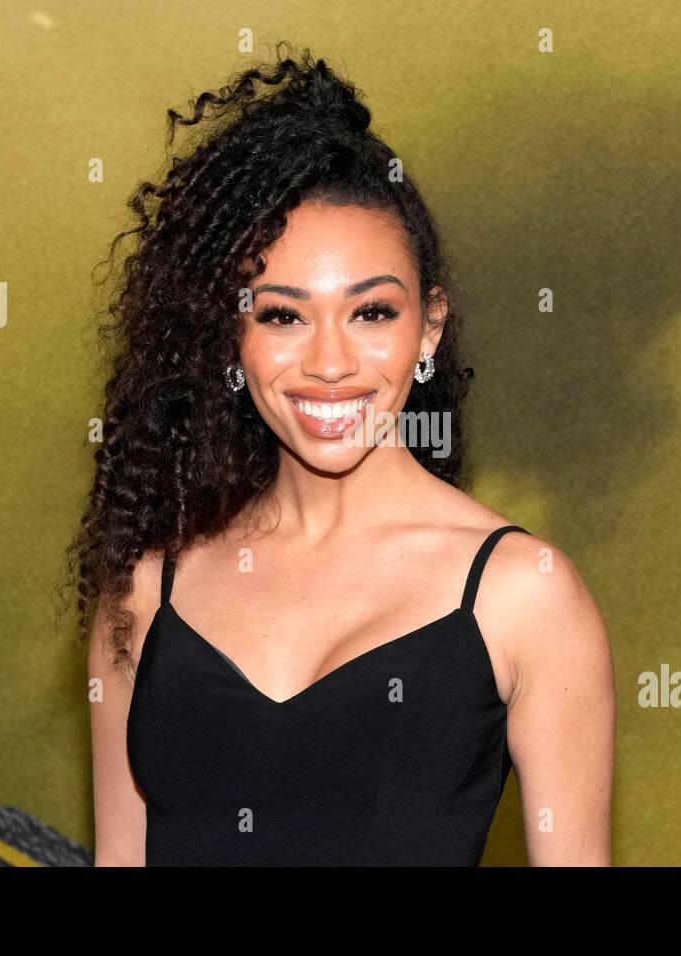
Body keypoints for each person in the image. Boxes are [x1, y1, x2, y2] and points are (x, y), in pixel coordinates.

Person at [76, 43, 614, 865]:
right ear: (230, 332)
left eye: (372, 313)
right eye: (283, 316)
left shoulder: (521, 597)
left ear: (428, 328)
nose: (330, 363)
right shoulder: (146, 589)